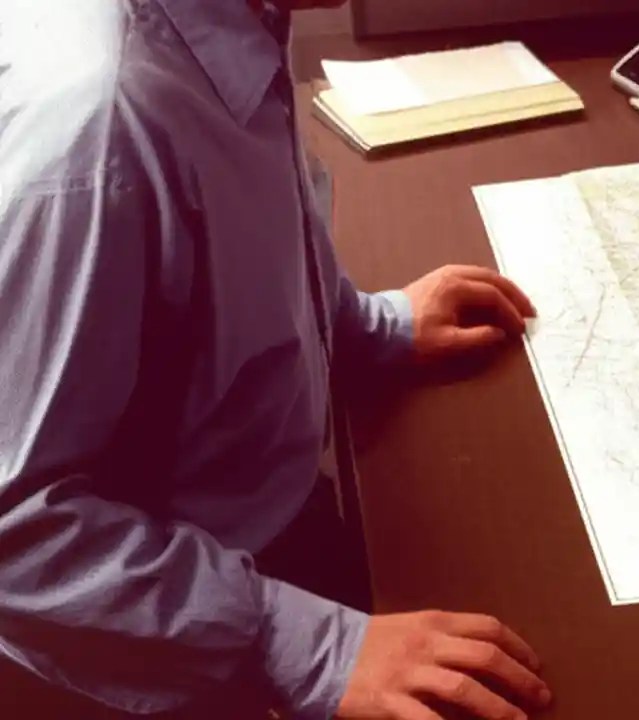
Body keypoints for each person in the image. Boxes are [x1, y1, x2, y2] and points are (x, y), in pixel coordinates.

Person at [0, 1, 552, 719]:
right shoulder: (97, 130)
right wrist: (301, 642)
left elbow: (214, 254)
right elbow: (17, 533)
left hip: (245, 527)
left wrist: (359, 325)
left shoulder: (230, 18)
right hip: (134, 639)